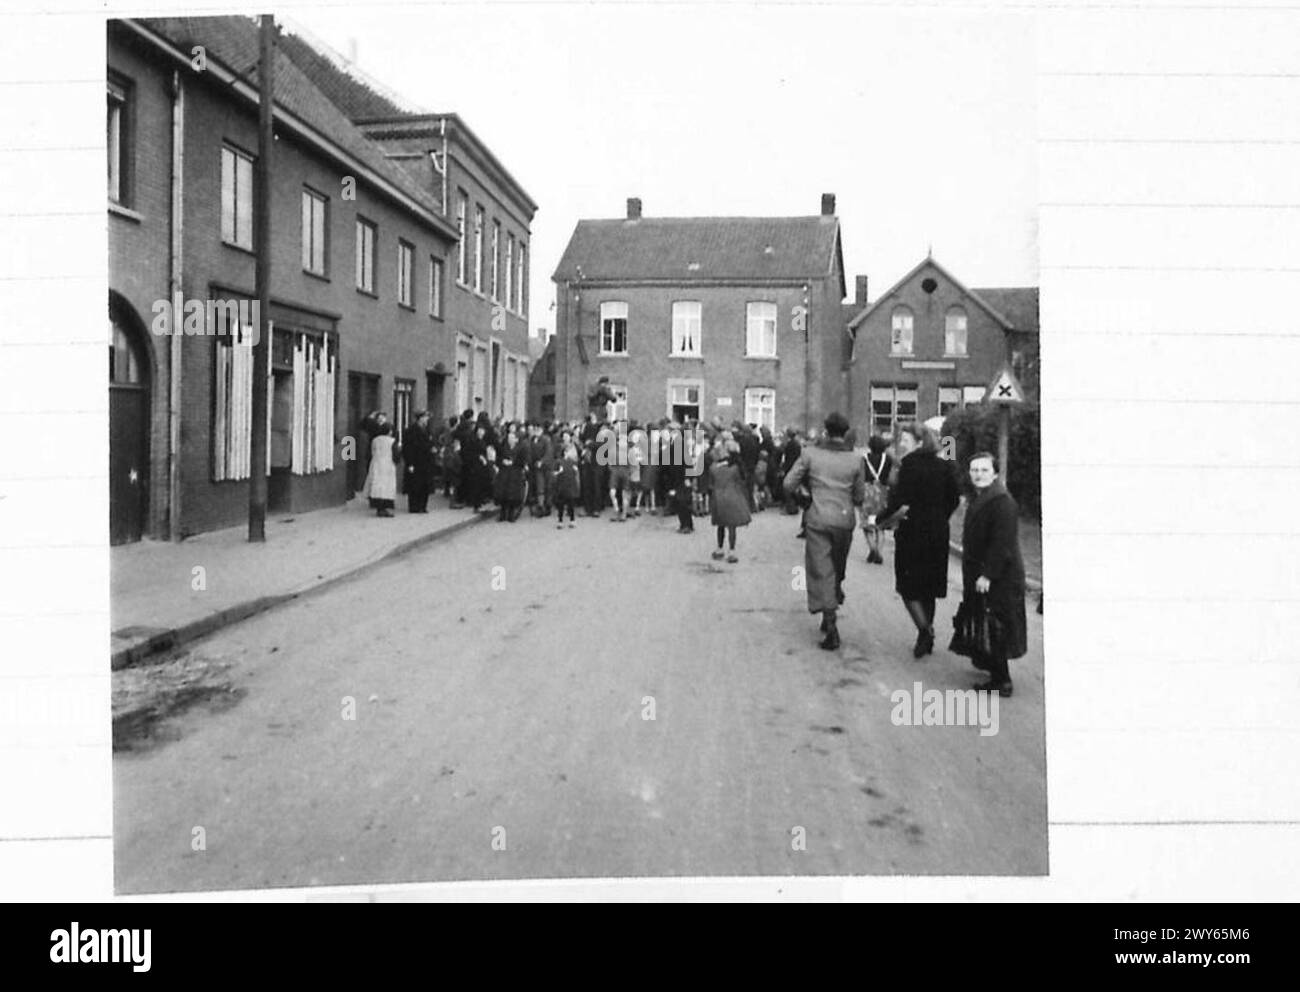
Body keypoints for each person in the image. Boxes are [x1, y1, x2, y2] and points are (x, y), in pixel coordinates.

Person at [877, 422, 960, 659]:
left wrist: (881, 519)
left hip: (912, 531)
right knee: (928, 588)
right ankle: (926, 633)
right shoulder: (945, 466)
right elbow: (954, 499)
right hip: (938, 533)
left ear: (919, 441)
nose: (901, 443)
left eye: (905, 439)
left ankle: (925, 630)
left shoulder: (909, 465)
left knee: (907, 586)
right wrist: (939, 517)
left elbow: (899, 500)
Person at [783, 412, 865, 650]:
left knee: (821, 569)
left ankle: (831, 624)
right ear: (846, 432)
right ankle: (833, 595)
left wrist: (804, 500)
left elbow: (788, 483)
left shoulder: (810, 454)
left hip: (818, 517)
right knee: (837, 566)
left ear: (826, 431)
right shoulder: (856, 459)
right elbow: (859, 495)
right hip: (844, 520)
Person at [960, 451, 1027, 696]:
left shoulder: (1002, 502)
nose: (978, 475)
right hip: (988, 573)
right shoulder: (985, 496)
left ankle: (1002, 681)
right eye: (974, 470)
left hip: (1001, 577)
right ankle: (994, 669)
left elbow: (1003, 544)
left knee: (996, 625)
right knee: (990, 622)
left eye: (984, 470)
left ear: (995, 473)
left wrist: (988, 575)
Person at [709, 439, 751, 563]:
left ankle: (719, 548)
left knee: (720, 525)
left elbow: (711, 485)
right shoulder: (735, 468)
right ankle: (732, 551)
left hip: (718, 497)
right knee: (732, 526)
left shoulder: (714, 468)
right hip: (733, 496)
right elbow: (741, 480)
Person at [861, 433, 894, 564]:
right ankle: (879, 551)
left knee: (868, 525)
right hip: (882, 492)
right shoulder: (888, 459)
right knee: (881, 525)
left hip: (868, 492)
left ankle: (872, 549)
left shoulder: (864, 459)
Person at [362, 421, 399, 517]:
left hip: (376, 463)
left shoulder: (375, 440)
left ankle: (378, 507)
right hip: (387, 464)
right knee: (386, 486)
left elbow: (372, 451)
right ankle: (384, 508)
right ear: (389, 431)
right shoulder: (392, 441)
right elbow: (396, 455)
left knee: (376, 484)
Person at [402, 411, 435, 514]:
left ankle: (423, 506)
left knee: (425, 485)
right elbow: (408, 448)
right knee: (415, 485)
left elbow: (429, 443)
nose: (427, 419)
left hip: (426, 462)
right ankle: (414, 507)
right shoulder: (411, 431)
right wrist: (410, 463)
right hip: (416, 462)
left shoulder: (428, 430)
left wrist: (432, 448)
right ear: (420, 418)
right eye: (425, 417)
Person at [552, 443, 580, 528]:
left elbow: (576, 472)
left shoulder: (572, 461)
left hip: (570, 485)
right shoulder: (558, 461)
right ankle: (560, 521)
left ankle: (572, 520)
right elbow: (553, 473)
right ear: (565, 452)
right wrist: (559, 472)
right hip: (561, 486)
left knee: (571, 504)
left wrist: (576, 470)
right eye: (569, 451)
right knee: (561, 504)